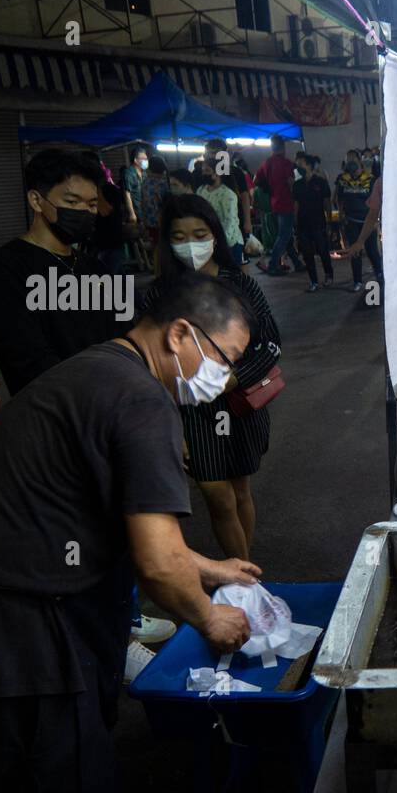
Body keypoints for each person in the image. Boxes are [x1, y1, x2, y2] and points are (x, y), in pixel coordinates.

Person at [0, 273, 262, 793]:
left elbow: (135, 526)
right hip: (18, 643)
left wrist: (208, 567)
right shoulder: (143, 402)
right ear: (180, 333)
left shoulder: (98, 370)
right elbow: (156, 563)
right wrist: (210, 618)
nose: (224, 380)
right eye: (224, 360)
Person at [139, 195, 281, 560]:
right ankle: (244, 573)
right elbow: (146, 364)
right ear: (167, 241)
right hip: (191, 414)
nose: (191, 244)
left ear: (215, 235)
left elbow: (271, 344)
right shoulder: (158, 294)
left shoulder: (241, 284)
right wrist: (169, 426)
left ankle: (243, 567)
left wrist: (234, 378)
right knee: (218, 498)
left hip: (240, 405)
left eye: (199, 233)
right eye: (179, 236)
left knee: (241, 491)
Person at [0, 149, 127, 397]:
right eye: (71, 202)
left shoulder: (97, 269)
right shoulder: (3, 272)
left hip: (113, 402)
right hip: (56, 412)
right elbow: (27, 362)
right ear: (36, 201)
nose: (84, 212)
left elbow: (127, 334)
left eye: (91, 204)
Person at [254, 135, 305, 277]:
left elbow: (257, 180)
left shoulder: (267, 163)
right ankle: (273, 265)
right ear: (283, 147)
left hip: (274, 203)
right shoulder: (286, 163)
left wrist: (270, 189)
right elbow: (290, 183)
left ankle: (297, 263)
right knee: (284, 236)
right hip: (286, 203)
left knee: (286, 237)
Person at [336, 152, 381, 292]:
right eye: (348, 159)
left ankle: (380, 274)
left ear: (359, 160)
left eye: (353, 159)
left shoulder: (370, 179)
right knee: (354, 250)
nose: (350, 162)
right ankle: (357, 281)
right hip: (351, 221)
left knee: (372, 250)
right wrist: (341, 214)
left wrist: (377, 220)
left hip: (368, 221)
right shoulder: (342, 179)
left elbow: (377, 200)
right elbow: (338, 198)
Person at [205, 139, 253, 257]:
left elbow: (245, 197)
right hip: (211, 222)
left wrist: (248, 221)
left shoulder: (236, 173)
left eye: (216, 152)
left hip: (235, 222)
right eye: (210, 153)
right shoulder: (203, 174)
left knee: (238, 258)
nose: (213, 156)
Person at [293, 152, 334, 291]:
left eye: (301, 164)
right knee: (307, 254)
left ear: (309, 165)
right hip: (303, 224)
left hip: (318, 222)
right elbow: (296, 204)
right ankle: (314, 281)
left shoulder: (320, 182)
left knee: (323, 251)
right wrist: (295, 222)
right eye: (297, 164)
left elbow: (327, 202)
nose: (298, 166)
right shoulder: (297, 184)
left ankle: (329, 275)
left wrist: (328, 220)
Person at [196, 157, 245, 267]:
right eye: (203, 171)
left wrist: (221, 242)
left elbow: (230, 223)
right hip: (209, 242)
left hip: (229, 243)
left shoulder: (227, 194)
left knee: (229, 278)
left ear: (218, 173)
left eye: (207, 170)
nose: (203, 174)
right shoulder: (201, 191)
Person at [140, 156, 170, 246]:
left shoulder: (145, 182)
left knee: (155, 246)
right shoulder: (164, 183)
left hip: (149, 221)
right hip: (163, 222)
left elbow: (143, 203)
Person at [122, 144, 149, 222]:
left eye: (146, 159)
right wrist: (131, 213)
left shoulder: (144, 173)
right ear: (135, 160)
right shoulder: (129, 173)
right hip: (135, 210)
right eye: (143, 159)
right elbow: (127, 194)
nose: (146, 161)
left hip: (144, 209)